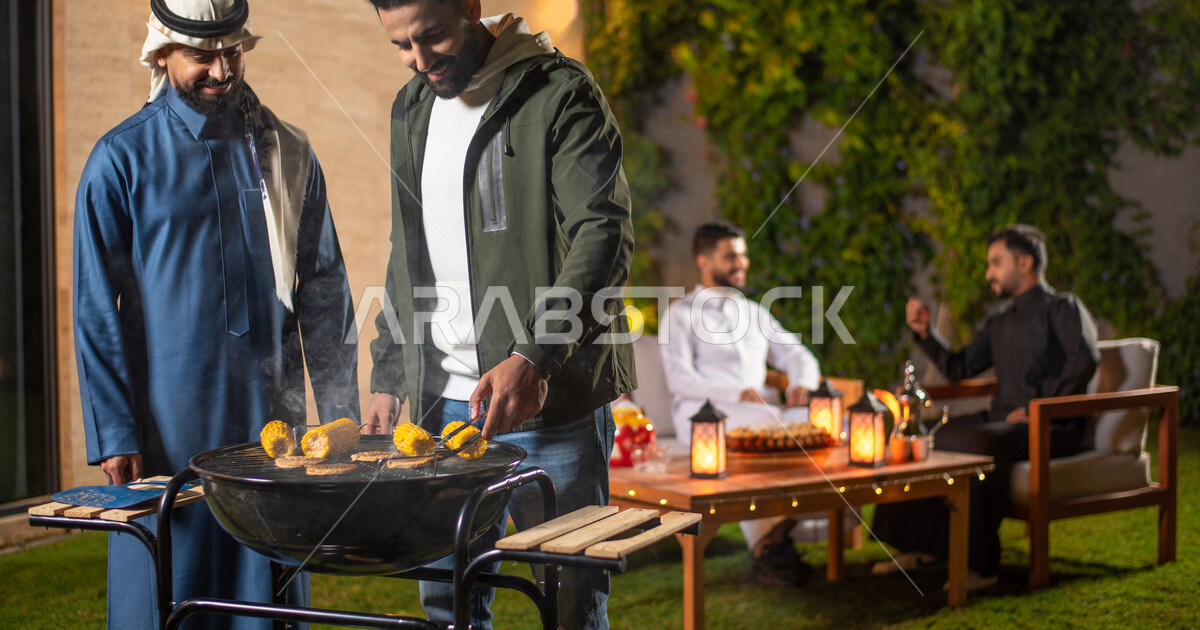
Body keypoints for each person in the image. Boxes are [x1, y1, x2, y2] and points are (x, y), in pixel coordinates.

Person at [73, 1, 359, 628]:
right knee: (169, 587)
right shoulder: (120, 160)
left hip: (271, 423)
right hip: (167, 426)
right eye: (203, 56)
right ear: (163, 53)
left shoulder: (287, 152)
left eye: (232, 53)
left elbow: (326, 292)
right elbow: (97, 306)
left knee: (270, 592)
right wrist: (116, 432)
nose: (222, 71)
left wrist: (340, 420)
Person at [361, 1, 636, 628]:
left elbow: (604, 236)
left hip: (548, 404)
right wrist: (388, 371)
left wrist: (532, 358)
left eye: (432, 36)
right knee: (448, 595)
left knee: (569, 597)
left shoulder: (560, 91)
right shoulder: (412, 107)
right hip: (440, 405)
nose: (420, 60)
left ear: (471, 7)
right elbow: (410, 249)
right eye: (401, 45)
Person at [871, 224, 1099, 589]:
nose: (988, 272)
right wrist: (926, 334)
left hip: (1051, 426)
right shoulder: (1000, 321)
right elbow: (960, 368)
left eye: (996, 262)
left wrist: (1039, 408)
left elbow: (1084, 361)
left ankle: (980, 566)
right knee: (932, 438)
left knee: (981, 446)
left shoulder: (1063, 308)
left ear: (1025, 263)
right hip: (1002, 422)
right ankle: (929, 548)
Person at [660, 220, 824, 587]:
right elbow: (680, 380)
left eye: (743, 255)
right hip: (702, 416)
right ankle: (770, 548)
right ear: (703, 261)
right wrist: (735, 393)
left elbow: (799, 355)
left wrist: (801, 383)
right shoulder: (680, 315)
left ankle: (780, 535)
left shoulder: (754, 312)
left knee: (816, 424)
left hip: (761, 413)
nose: (742, 263)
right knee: (762, 434)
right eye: (731, 256)